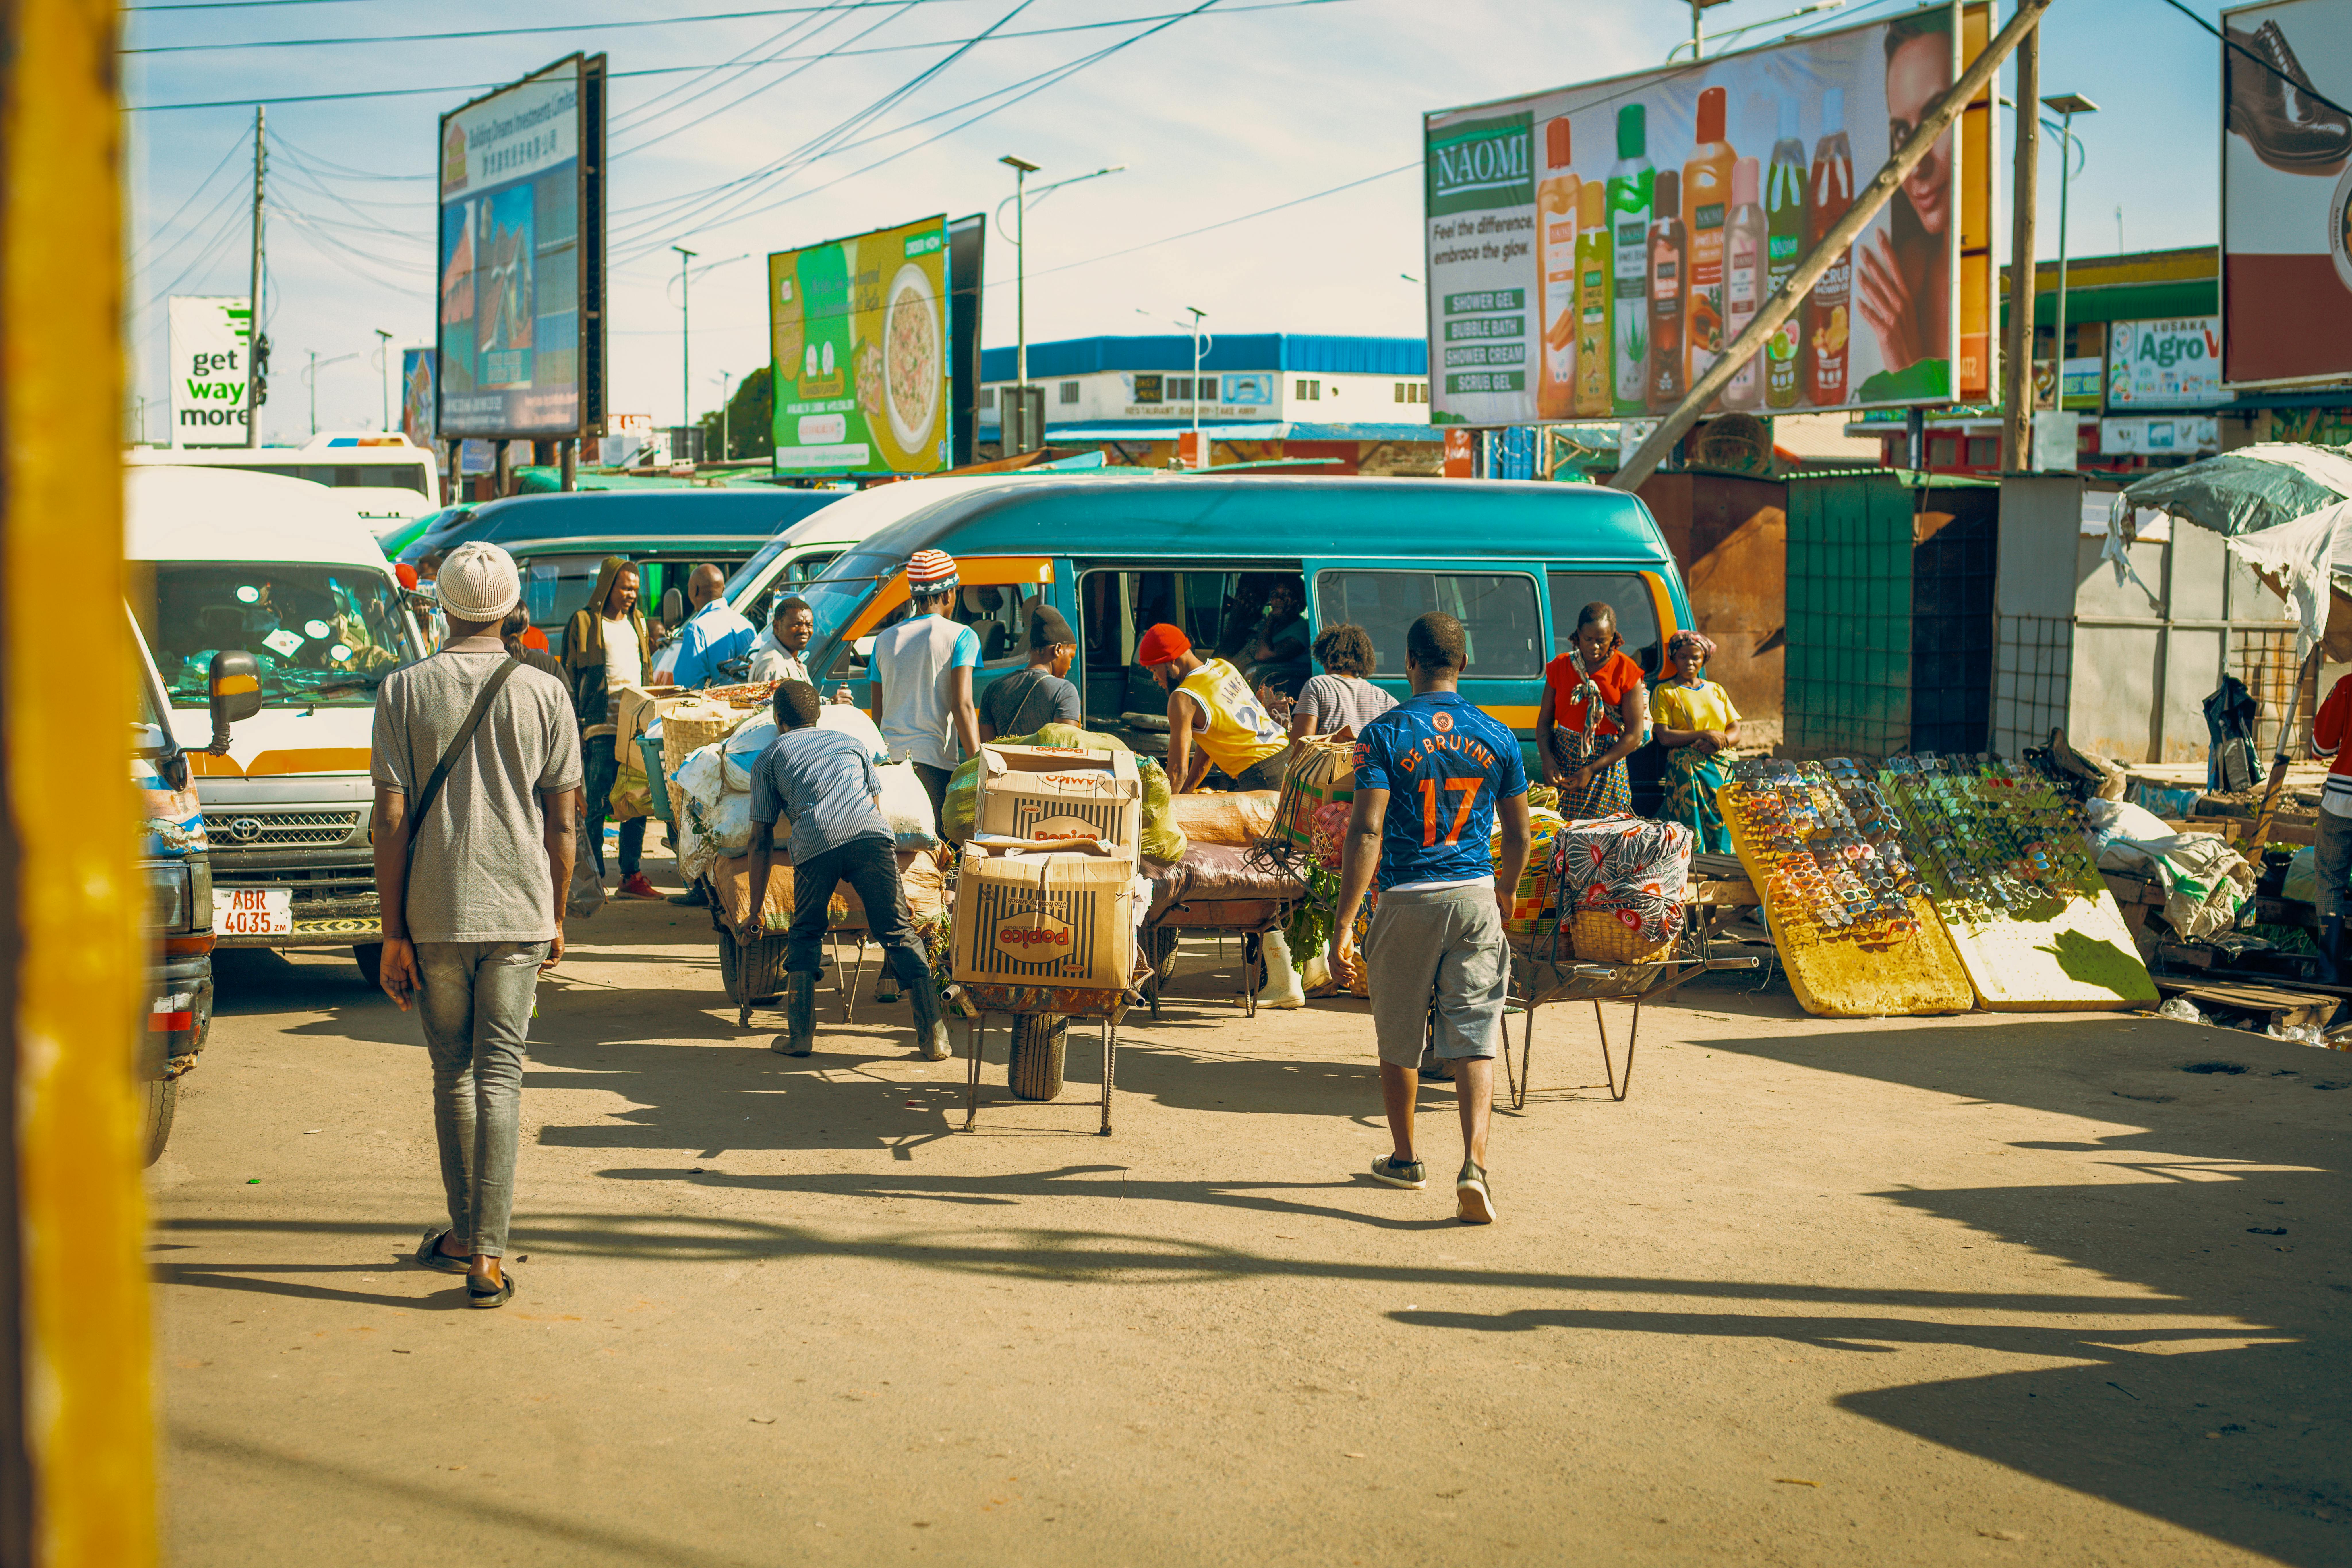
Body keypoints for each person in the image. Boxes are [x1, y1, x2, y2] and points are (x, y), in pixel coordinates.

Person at [371, 541, 580, 1308]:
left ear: (445, 605)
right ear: (511, 606)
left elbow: (389, 819)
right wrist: (555, 915)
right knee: (502, 1078)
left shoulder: (403, 690)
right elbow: (564, 823)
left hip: (435, 911)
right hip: (519, 906)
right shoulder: (544, 691)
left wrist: (392, 930)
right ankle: (485, 1256)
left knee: (452, 1073)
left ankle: (465, 1232)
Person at [1331, 611, 1530, 1226]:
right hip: (1473, 896)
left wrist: (1343, 925)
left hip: (1405, 897)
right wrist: (1506, 891)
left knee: (1399, 1038)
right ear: (1463, 665)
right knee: (1474, 1039)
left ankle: (1406, 1158)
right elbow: (1520, 834)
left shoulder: (1383, 735)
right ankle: (1474, 1166)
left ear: (1408, 663)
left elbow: (1366, 828)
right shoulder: (1498, 735)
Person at [740, 679, 950, 1061]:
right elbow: (873, 803)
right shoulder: (851, 743)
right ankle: (934, 1036)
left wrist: (755, 911)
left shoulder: (768, 758)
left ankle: (800, 1036)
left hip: (815, 842)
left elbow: (761, 839)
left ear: (777, 718)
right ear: (818, 716)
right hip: (872, 837)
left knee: (805, 933)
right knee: (897, 931)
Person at [1856, 9, 1954, 376]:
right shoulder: (1902, 274)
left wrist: (1907, 370)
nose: (1917, 164)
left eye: (1936, 119)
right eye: (1902, 132)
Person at [563, 558, 658, 900]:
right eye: (625, 588)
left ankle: (631, 875)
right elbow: (572, 677)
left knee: (637, 802)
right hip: (601, 726)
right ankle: (594, 878)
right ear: (608, 586)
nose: (631, 594)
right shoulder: (586, 622)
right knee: (597, 805)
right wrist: (574, 726)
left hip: (636, 727)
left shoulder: (639, 623)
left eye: (635, 588)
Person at [873, 549, 981, 820]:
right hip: (934, 766)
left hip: (888, 766)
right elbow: (962, 705)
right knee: (938, 857)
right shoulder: (962, 636)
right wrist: (979, 765)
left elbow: (879, 713)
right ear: (948, 594)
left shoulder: (883, 640)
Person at [1138, 622, 1289, 793]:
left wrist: (1159, 811)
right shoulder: (1223, 666)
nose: (1155, 678)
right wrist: (1186, 792)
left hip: (1262, 775)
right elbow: (1209, 743)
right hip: (1288, 758)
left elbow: (1176, 772)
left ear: (1171, 660)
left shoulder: (1183, 697)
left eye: (1154, 670)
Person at [1537, 602, 1648, 820]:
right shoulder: (1560, 666)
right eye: (1588, 639)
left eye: (1602, 641)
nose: (1595, 646)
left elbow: (1634, 735)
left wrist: (1591, 770)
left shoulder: (1626, 670)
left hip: (1607, 767)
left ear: (1613, 637)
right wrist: (1548, 760)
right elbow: (1545, 722)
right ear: (1578, 635)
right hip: (1565, 762)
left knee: (1606, 836)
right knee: (1563, 833)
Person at [1650, 629, 1743, 854]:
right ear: (1673, 658)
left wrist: (1719, 742)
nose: (1690, 663)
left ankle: (1724, 863)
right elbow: (1664, 735)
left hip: (1721, 765)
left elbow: (1735, 728)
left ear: (1704, 659)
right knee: (1693, 822)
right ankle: (1695, 861)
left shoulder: (1716, 689)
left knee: (1725, 815)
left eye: (1696, 657)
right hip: (1687, 770)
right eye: (1683, 657)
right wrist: (1704, 734)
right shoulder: (1666, 691)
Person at [978, 604, 1082, 741]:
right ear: (1058, 650)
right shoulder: (1064, 691)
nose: (1070, 666)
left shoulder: (993, 689)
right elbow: (1066, 749)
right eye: (1071, 657)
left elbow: (987, 748)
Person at [1288, 622, 1397, 742]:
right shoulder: (1384, 698)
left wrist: (1281, 726)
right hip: (1368, 760)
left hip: (1332, 761)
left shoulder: (1318, 686)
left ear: (1327, 660)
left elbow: (1300, 745)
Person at [2310, 672, 2352, 979]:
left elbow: (2321, 748)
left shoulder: (2346, 686)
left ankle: (2329, 970)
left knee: (2329, 880)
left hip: (2341, 798)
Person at [668, 562, 759, 690]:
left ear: (695, 591)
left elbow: (687, 686)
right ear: (723, 589)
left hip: (713, 707)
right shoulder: (746, 625)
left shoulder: (697, 629)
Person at [1242, 575, 1313, 701]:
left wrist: (1271, 617)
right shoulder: (1274, 626)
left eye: (1286, 594)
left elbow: (1263, 655)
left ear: (1299, 600)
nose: (1279, 600)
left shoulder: (1301, 630)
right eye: (1275, 594)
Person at [748, 596, 815, 684]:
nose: (805, 630)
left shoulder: (788, 658)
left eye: (809, 625)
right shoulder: (775, 665)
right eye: (797, 625)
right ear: (777, 626)